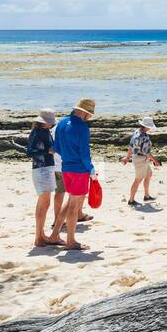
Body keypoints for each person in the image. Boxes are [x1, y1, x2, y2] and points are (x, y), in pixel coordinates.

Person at [51, 98, 96, 249]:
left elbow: (56, 147)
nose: (90, 116)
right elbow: (84, 153)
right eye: (89, 114)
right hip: (79, 170)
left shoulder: (61, 123)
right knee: (74, 206)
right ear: (84, 112)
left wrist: (68, 155)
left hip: (66, 168)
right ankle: (71, 241)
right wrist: (91, 169)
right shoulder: (82, 128)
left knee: (70, 201)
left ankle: (55, 234)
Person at [27, 108, 61, 246]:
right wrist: (48, 150)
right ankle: (38, 237)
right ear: (44, 122)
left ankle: (40, 235)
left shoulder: (45, 131)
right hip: (41, 169)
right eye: (50, 122)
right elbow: (30, 151)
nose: (52, 125)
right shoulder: (37, 132)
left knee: (44, 202)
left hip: (46, 167)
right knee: (44, 202)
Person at [123, 116, 161, 205]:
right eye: (150, 127)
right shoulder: (144, 137)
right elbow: (146, 152)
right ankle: (131, 200)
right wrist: (155, 160)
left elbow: (131, 146)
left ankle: (146, 196)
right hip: (141, 159)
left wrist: (127, 157)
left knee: (149, 174)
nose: (150, 128)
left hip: (138, 158)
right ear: (147, 126)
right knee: (138, 180)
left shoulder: (137, 132)